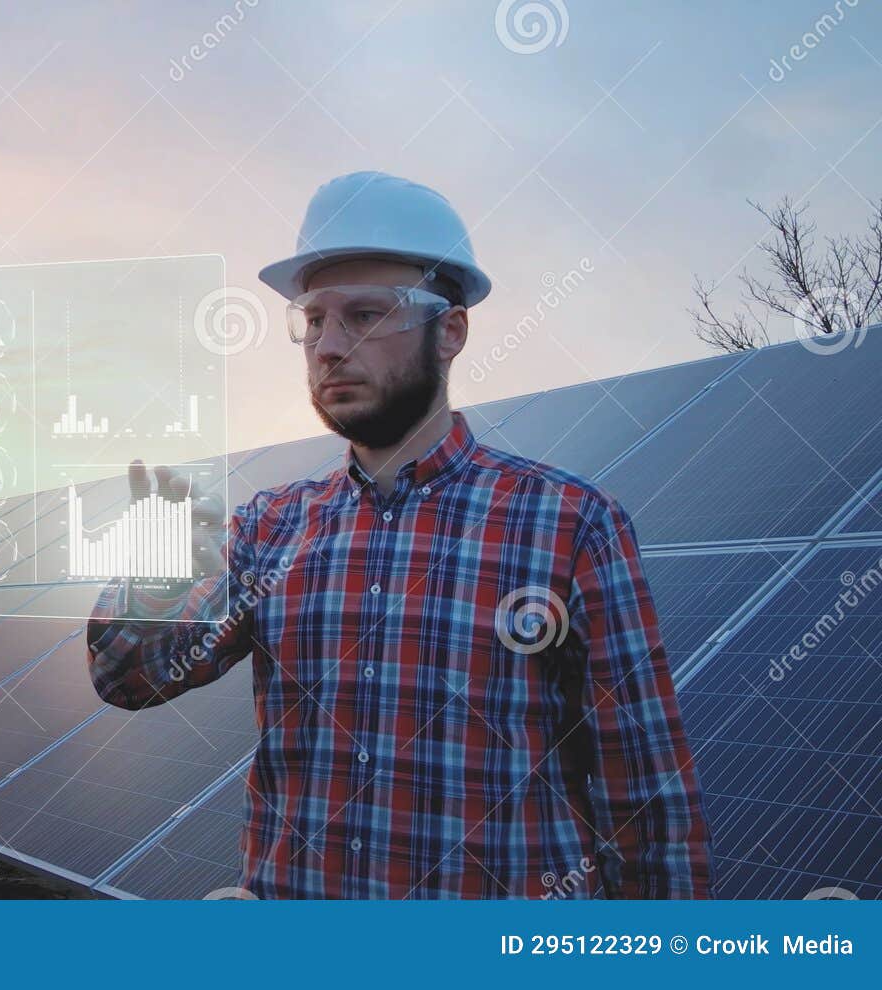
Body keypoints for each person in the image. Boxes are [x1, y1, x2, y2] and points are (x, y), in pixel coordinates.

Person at [85, 171, 712, 899]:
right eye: (313, 320)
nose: (327, 346)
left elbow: (647, 803)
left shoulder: (568, 524)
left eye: (365, 315)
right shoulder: (270, 527)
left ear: (450, 331)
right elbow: (130, 679)